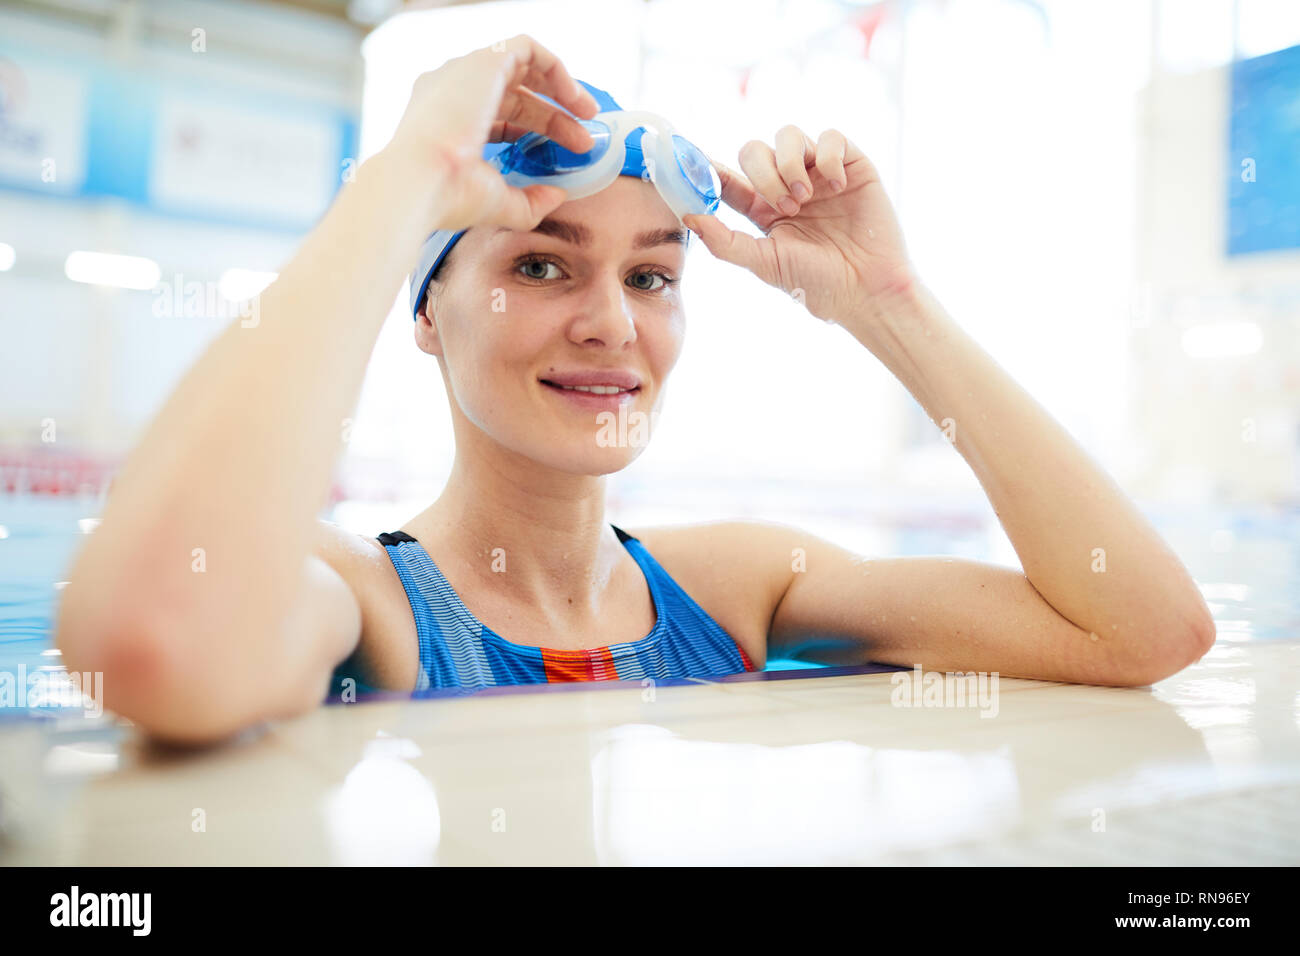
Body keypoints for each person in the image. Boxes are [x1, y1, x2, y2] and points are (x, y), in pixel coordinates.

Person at [54, 35, 1215, 744]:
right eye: (541, 263)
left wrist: (885, 298)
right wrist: (408, 177)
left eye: (652, 274)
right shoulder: (369, 605)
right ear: (425, 310)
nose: (612, 320)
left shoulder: (741, 583)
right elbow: (156, 643)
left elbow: (1142, 626)